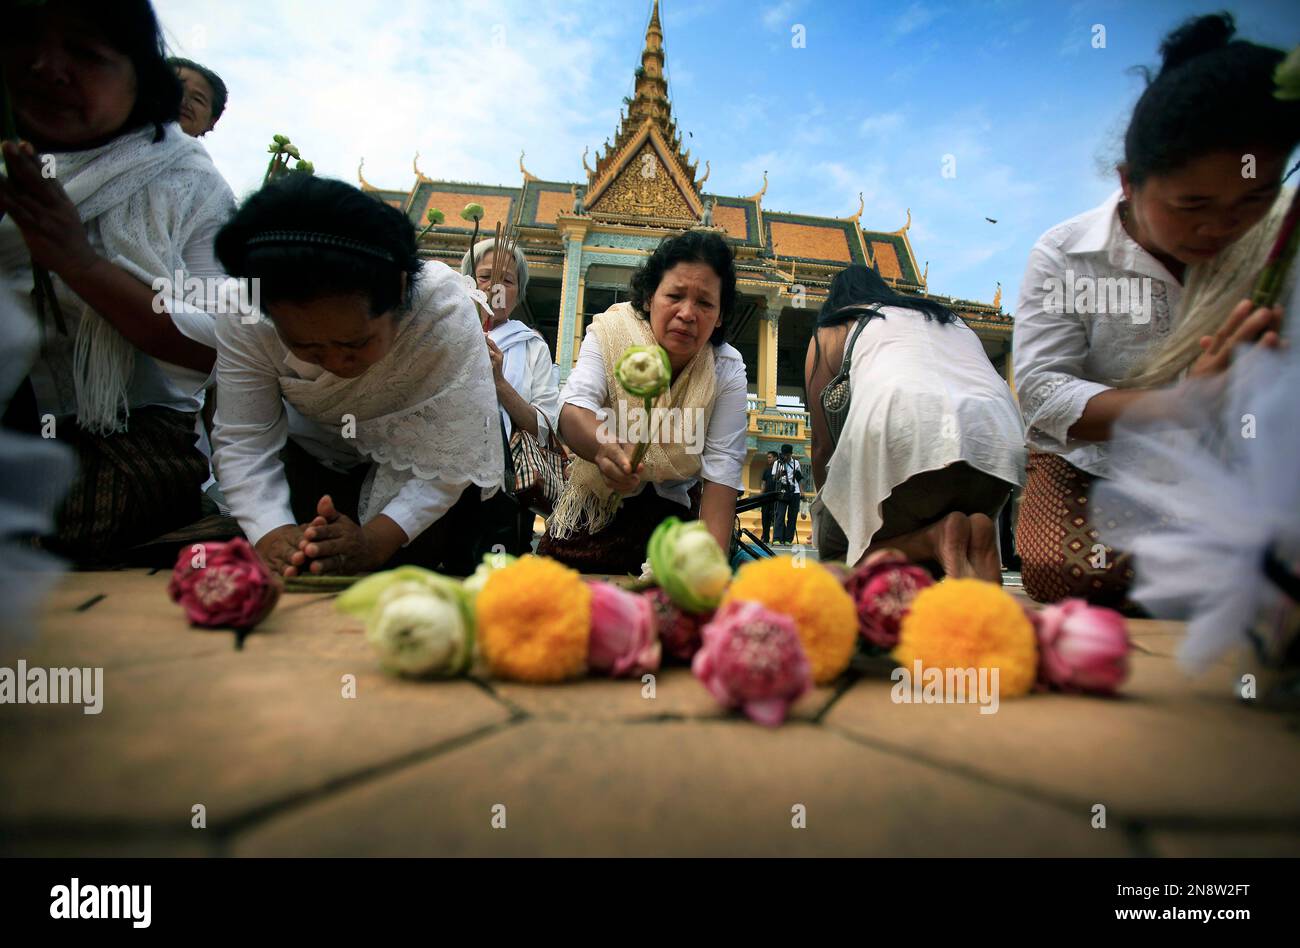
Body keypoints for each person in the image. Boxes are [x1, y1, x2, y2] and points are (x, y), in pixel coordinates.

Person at [1013, 12, 1297, 605]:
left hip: (1239, 470)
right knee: (1065, 570)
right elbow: (1040, 389)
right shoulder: (1066, 254)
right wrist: (1177, 406)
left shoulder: (1281, 241)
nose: (1221, 226)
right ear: (1129, 183)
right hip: (1098, 468)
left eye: (1254, 197)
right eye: (1191, 203)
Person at [0, 0, 236, 565]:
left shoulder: (191, 182)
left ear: (137, 76)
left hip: (123, 438)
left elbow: (226, 344)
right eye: (26, 43)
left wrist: (80, 264)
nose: (49, 69)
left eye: (85, 53)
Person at [211, 174, 503, 577]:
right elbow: (245, 439)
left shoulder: (440, 308)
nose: (335, 362)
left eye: (355, 344)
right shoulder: (243, 310)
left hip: (421, 481)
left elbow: (454, 452)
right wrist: (272, 534)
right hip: (312, 463)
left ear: (399, 291)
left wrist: (375, 542)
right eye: (307, 349)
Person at [537, 229, 748, 574]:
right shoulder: (611, 332)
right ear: (650, 297)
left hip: (671, 527)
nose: (687, 313)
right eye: (675, 295)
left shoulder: (725, 368)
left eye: (705, 303)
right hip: (594, 512)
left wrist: (707, 571)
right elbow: (573, 407)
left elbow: (722, 467)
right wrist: (606, 450)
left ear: (721, 315)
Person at [806, 265, 1025, 579]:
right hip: (998, 459)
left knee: (839, 558)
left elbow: (821, 446)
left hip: (907, 451)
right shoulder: (946, 318)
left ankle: (933, 539)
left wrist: (833, 514)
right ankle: (967, 540)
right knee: (943, 546)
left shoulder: (833, 327)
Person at [459, 236, 562, 554]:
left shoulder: (531, 345)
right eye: (485, 276)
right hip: (440, 477)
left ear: (519, 291)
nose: (494, 287)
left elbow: (545, 426)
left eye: (507, 280)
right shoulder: (446, 331)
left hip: (507, 483)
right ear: (467, 282)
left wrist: (500, 382)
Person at [167, 57, 226, 139]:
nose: (182, 100)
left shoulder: (194, 151)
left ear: (212, 121)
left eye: (197, 99)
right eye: (175, 89)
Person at [773, 443, 803, 544]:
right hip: (783, 491)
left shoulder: (796, 463)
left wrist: (802, 492)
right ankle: (777, 538)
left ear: (791, 454)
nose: (785, 456)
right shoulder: (777, 463)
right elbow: (774, 478)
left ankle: (788, 539)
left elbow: (799, 478)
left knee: (792, 516)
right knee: (780, 515)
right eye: (783, 454)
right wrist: (780, 473)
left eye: (787, 455)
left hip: (795, 492)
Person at [759, 449, 778, 544]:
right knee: (765, 517)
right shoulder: (766, 470)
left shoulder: (780, 470)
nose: (768, 459)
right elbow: (763, 483)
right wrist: (761, 495)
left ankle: (777, 538)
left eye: (770, 457)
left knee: (775, 518)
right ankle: (765, 537)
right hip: (766, 498)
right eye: (768, 458)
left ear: (775, 458)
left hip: (775, 498)